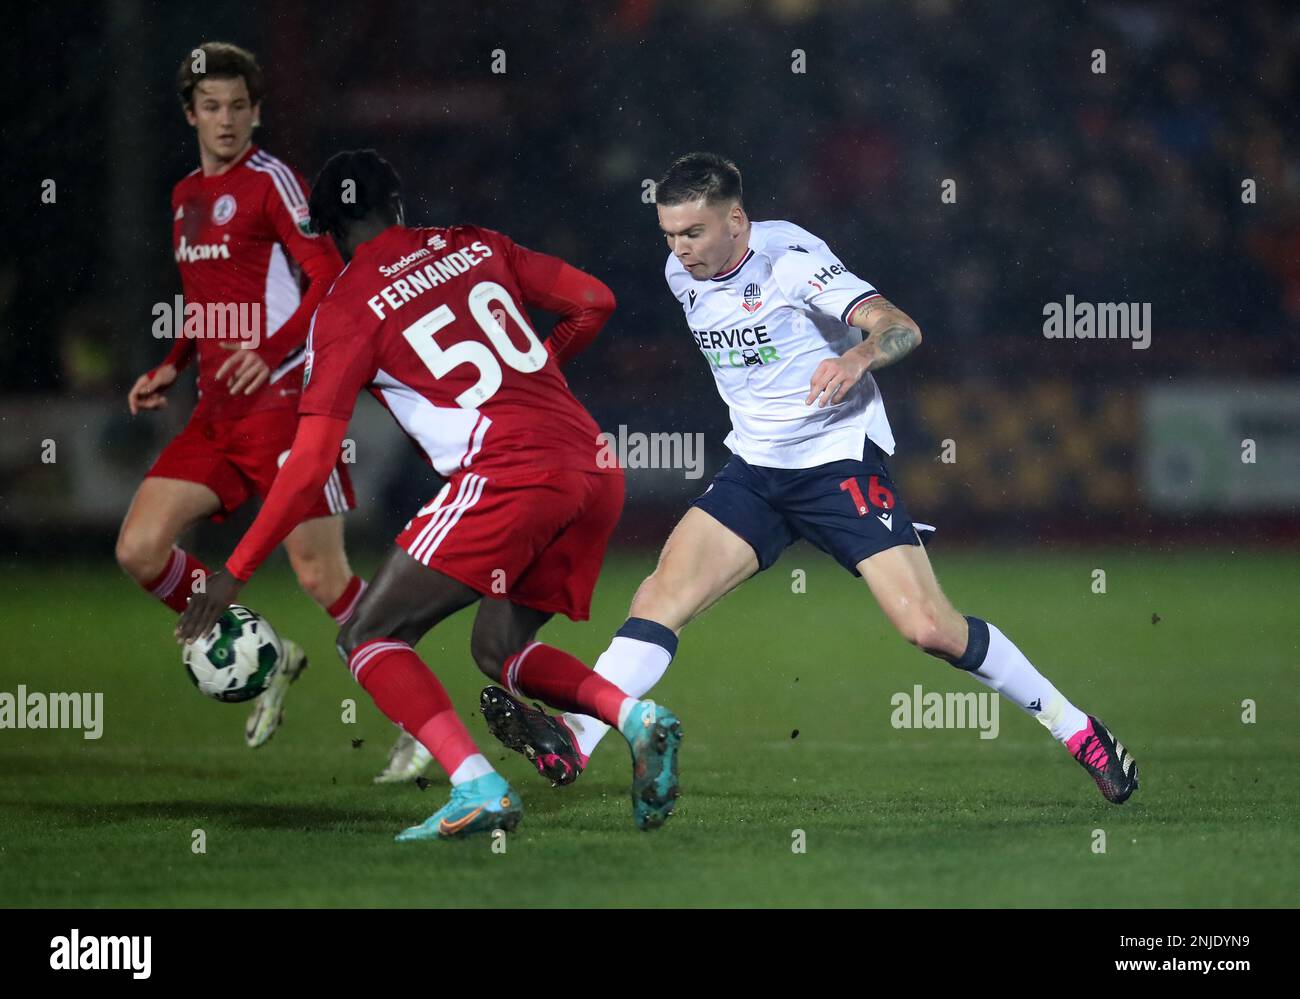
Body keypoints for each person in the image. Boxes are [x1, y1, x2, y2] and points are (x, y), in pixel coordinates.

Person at [481, 152, 1140, 806]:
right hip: (757, 469)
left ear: (736, 221)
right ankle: (576, 736)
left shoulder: (790, 263)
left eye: (694, 233)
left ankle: (1078, 728)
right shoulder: (680, 274)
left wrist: (857, 355)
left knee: (930, 628)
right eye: (670, 235)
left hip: (836, 463)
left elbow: (900, 327)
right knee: (659, 599)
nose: (680, 251)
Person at [176, 149, 683, 840]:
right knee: (498, 645)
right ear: (399, 205)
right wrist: (539, 371)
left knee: (367, 634)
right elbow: (596, 300)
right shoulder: (476, 244)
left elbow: (311, 461)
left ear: (324, 234)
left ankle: (477, 784)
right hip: (594, 466)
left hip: (510, 474)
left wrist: (231, 572)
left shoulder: (345, 308)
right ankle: (634, 715)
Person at [117, 42, 362, 749]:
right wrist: (172, 362)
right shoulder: (183, 197)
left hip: (288, 406)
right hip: (217, 415)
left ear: (257, 113)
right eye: (212, 107)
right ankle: (266, 650)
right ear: (191, 114)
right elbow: (207, 300)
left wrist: (270, 349)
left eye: (239, 107)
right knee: (139, 548)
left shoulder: (273, 182)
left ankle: (415, 716)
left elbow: (327, 278)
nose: (226, 120)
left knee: (323, 575)